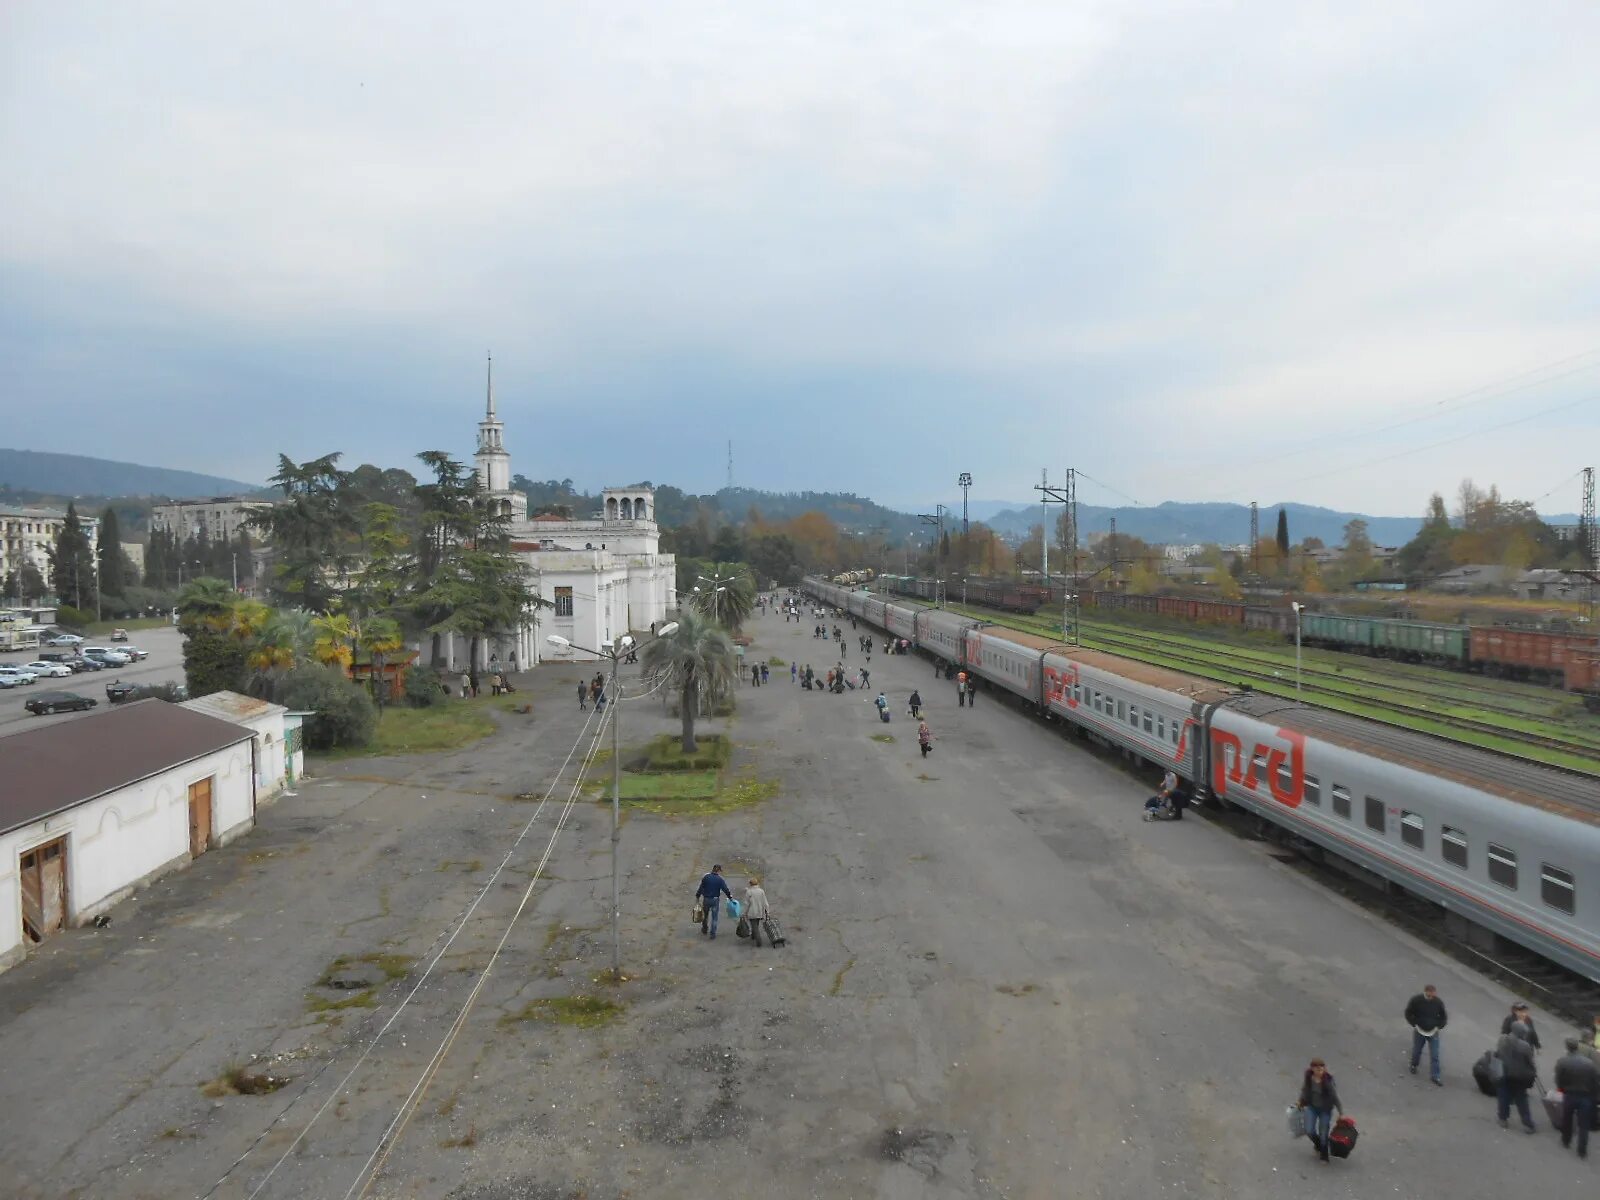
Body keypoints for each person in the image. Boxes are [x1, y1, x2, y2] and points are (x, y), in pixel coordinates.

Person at [1554, 1037, 1598, 1158]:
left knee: (1567, 1119)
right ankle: (1582, 1150)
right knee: (1584, 1124)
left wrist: (1562, 1090)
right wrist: (1593, 1096)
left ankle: (1566, 1141)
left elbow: (1559, 1080)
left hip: (1570, 1095)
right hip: (1586, 1097)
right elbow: (1595, 1082)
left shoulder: (1562, 1061)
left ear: (1567, 1047)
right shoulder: (1590, 1064)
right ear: (1577, 1047)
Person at [1297, 1058, 1344, 1162]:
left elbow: (1335, 1097)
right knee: (1309, 1130)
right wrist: (1300, 1101)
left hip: (1325, 1110)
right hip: (1312, 1107)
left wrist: (1341, 1113)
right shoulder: (1309, 1078)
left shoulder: (1328, 1081)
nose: (1320, 1070)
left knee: (1323, 1133)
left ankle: (1324, 1154)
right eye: (1317, 1068)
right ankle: (1318, 1144)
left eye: (1321, 1068)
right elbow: (1305, 1090)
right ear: (1312, 1069)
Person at [1495, 1022, 1539, 1133]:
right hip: (1519, 1077)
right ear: (1520, 1032)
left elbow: (1498, 1054)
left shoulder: (1502, 1040)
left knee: (1503, 1097)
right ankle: (1528, 1124)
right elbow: (1530, 1062)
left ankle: (1503, 1119)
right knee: (1522, 1100)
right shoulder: (1525, 1046)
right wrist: (1533, 1072)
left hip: (1504, 1073)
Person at [1404, 984, 1448, 1085]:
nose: (1431, 997)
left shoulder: (1438, 1002)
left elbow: (1444, 1017)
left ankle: (1435, 1076)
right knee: (1417, 1051)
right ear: (1425, 992)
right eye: (1429, 995)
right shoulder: (1416, 1000)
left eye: (1433, 995)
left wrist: (1439, 1026)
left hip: (1433, 1032)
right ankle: (1414, 1065)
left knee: (1435, 1055)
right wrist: (1414, 1023)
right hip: (1420, 1030)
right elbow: (1408, 1012)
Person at [696, 865, 732, 939]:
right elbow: (725, 889)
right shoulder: (720, 879)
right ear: (718, 871)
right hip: (715, 900)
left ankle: (705, 928)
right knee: (714, 917)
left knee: (705, 915)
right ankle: (713, 934)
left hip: (706, 899)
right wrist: (730, 897)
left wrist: (698, 896)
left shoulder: (706, 877)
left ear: (712, 870)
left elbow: (701, 887)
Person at [743, 878, 771, 948]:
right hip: (759, 911)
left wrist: (744, 913)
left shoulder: (749, 892)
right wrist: (767, 911)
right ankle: (753, 935)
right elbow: (765, 903)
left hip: (752, 912)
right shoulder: (761, 891)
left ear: (750, 884)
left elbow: (746, 904)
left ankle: (759, 941)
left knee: (754, 926)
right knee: (756, 924)